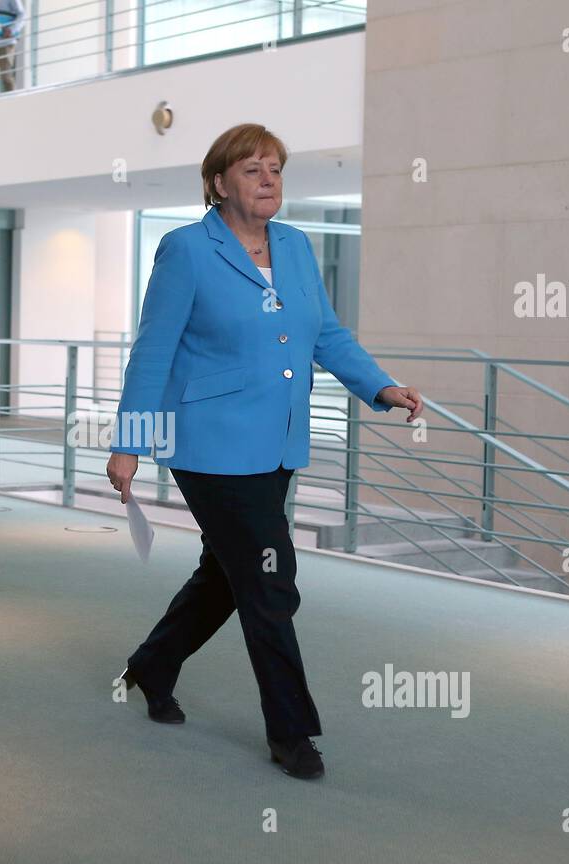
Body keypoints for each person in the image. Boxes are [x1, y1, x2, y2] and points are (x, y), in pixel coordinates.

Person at [107, 123, 424, 780]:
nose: (269, 178)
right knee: (270, 582)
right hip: (209, 445)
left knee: (228, 573)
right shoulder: (187, 250)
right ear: (220, 183)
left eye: (276, 167)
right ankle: (292, 730)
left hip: (277, 442)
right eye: (252, 169)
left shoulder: (297, 247)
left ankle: (152, 665)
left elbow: (326, 334)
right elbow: (155, 350)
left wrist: (380, 385)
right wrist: (130, 443)